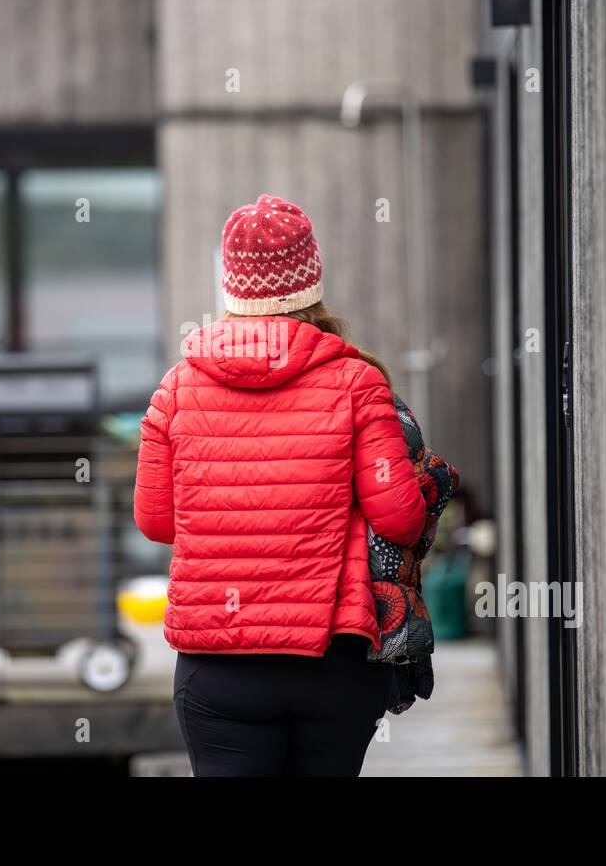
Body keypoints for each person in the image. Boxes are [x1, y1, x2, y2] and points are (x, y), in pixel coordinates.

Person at [133, 193, 427, 776]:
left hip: (218, 669)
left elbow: (156, 522)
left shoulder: (176, 388)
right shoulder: (357, 384)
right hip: (330, 663)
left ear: (231, 287)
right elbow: (399, 519)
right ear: (310, 281)